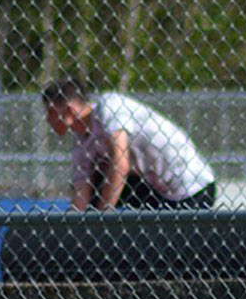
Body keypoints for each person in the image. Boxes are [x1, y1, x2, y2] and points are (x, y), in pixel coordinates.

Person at [40, 77, 216, 210]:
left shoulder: (109, 106)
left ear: (69, 110)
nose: (47, 119)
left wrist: (102, 218)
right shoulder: (81, 143)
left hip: (193, 187)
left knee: (109, 173)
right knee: (96, 182)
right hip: (156, 190)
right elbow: (81, 194)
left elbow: (120, 164)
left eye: (50, 112)